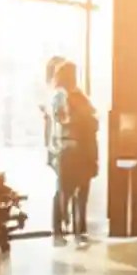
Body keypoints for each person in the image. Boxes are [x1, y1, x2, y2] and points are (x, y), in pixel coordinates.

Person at [50, 60, 99, 247]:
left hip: (81, 148)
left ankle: (78, 229)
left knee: (79, 191)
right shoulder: (60, 96)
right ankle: (60, 230)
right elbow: (65, 120)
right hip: (70, 149)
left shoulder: (78, 96)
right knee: (65, 191)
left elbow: (89, 120)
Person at [42, 55, 68, 237]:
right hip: (60, 145)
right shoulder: (59, 94)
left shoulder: (51, 93)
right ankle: (60, 224)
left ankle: (61, 224)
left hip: (54, 145)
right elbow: (61, 119)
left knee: (63, 185)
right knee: (63, 186)